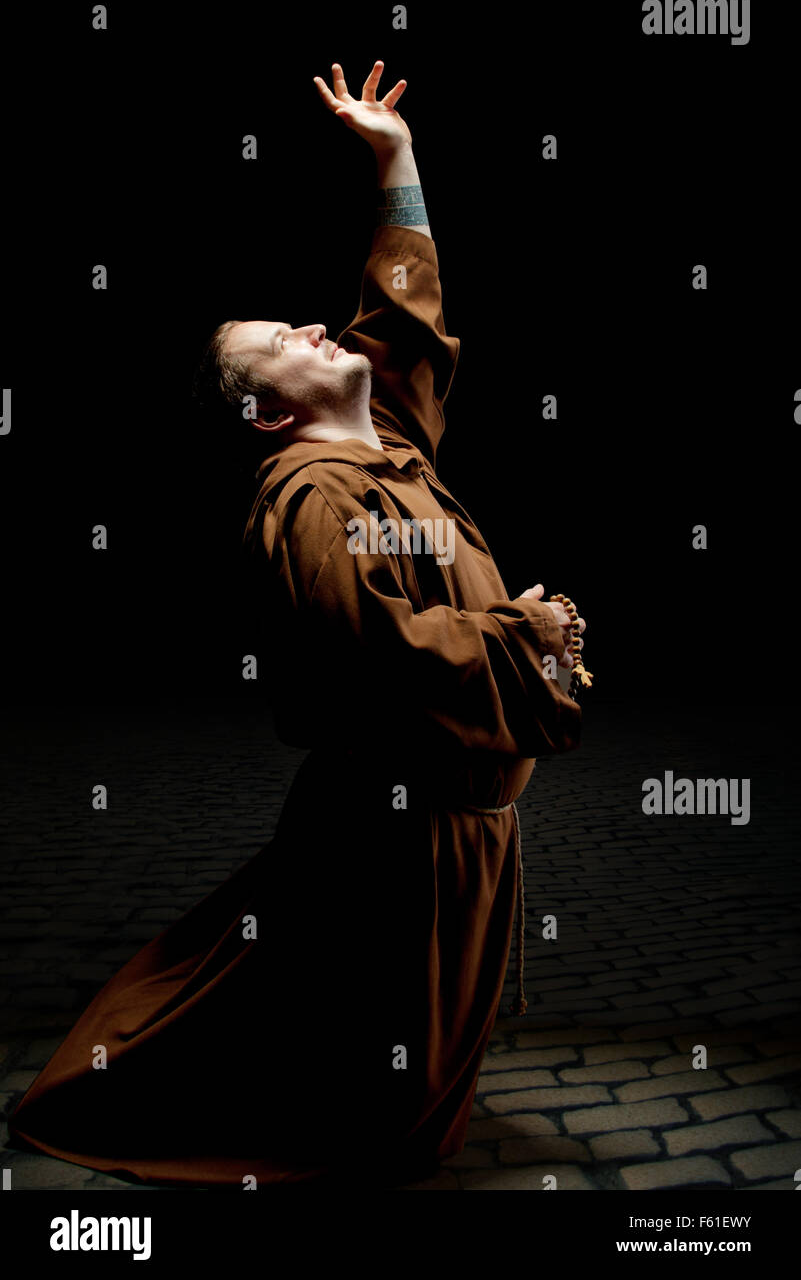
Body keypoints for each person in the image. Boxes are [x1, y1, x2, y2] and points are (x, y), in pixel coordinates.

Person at [8, 60, 586, 1189]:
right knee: (373, 1131)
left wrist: (396, 160)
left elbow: (405, 322)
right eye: (286, 337)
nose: (323, 325)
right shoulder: (315, 496)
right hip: (399, 844)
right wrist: (529, 635)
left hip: (461, 838)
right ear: (271, 411)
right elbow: (369, 653)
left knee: (405, 1108)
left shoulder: (393, 447)